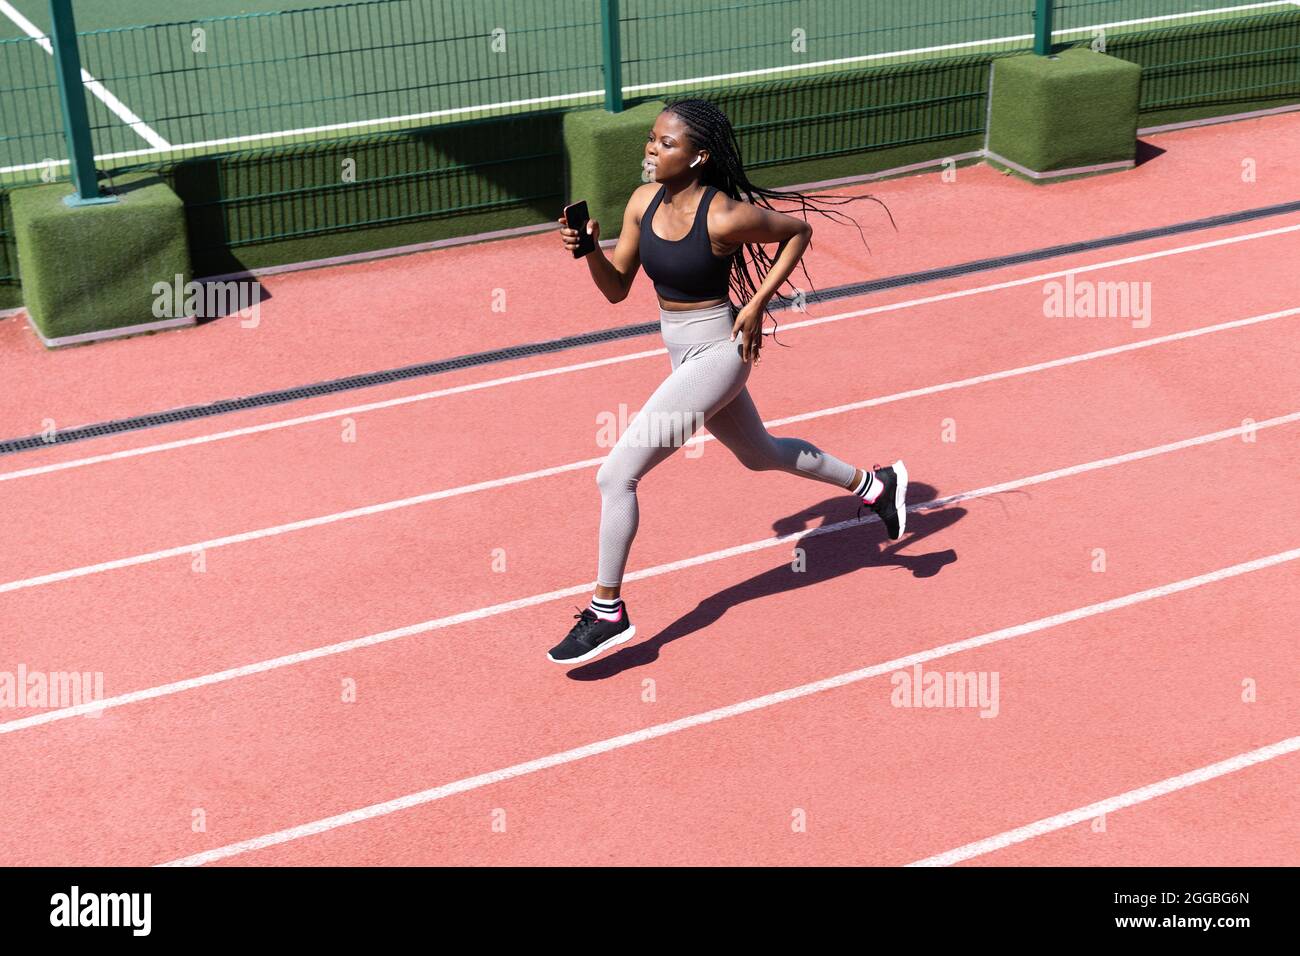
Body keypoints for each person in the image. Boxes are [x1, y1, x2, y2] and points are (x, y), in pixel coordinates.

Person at [549, 98, 906, 665]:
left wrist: (759, 303)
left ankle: (606, 612)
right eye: (651, 139)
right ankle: (876, 485)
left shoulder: (725, 216)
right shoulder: (643, 204)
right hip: (681, 348)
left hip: (721, 352)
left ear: (698, 158)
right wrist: (591, 249)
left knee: (615, 475)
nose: (651, 149)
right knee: (760, 454)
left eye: (667, 144)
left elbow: (798, 231)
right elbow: (617, 288)